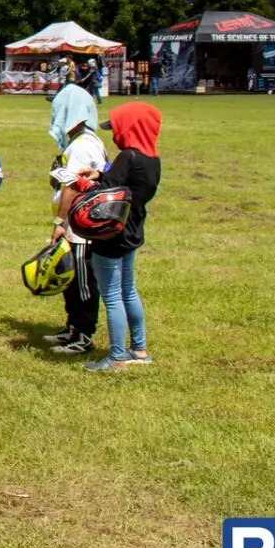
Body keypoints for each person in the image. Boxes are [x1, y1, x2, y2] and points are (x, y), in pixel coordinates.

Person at [69, 102, 161, 373]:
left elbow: (107, 195)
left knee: (111, 295)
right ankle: (140, 350)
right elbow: (125, 185)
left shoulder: (127, 157)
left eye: (117, 129)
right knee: (128, 290)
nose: (112, 134)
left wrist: (81, 184)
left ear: (131, 128)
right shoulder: (151, 159)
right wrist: (99, 174)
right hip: (133, 230)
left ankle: (117, 357)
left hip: (111, 233)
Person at [43, 84, 105, 354]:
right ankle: (72, 327)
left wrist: (60, 224)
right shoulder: (85, 141)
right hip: (77, 222)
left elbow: (71, 187)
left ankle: (83, 335)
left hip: (78, 226)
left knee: (81, 281)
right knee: (70, 279)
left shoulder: (81, 146)